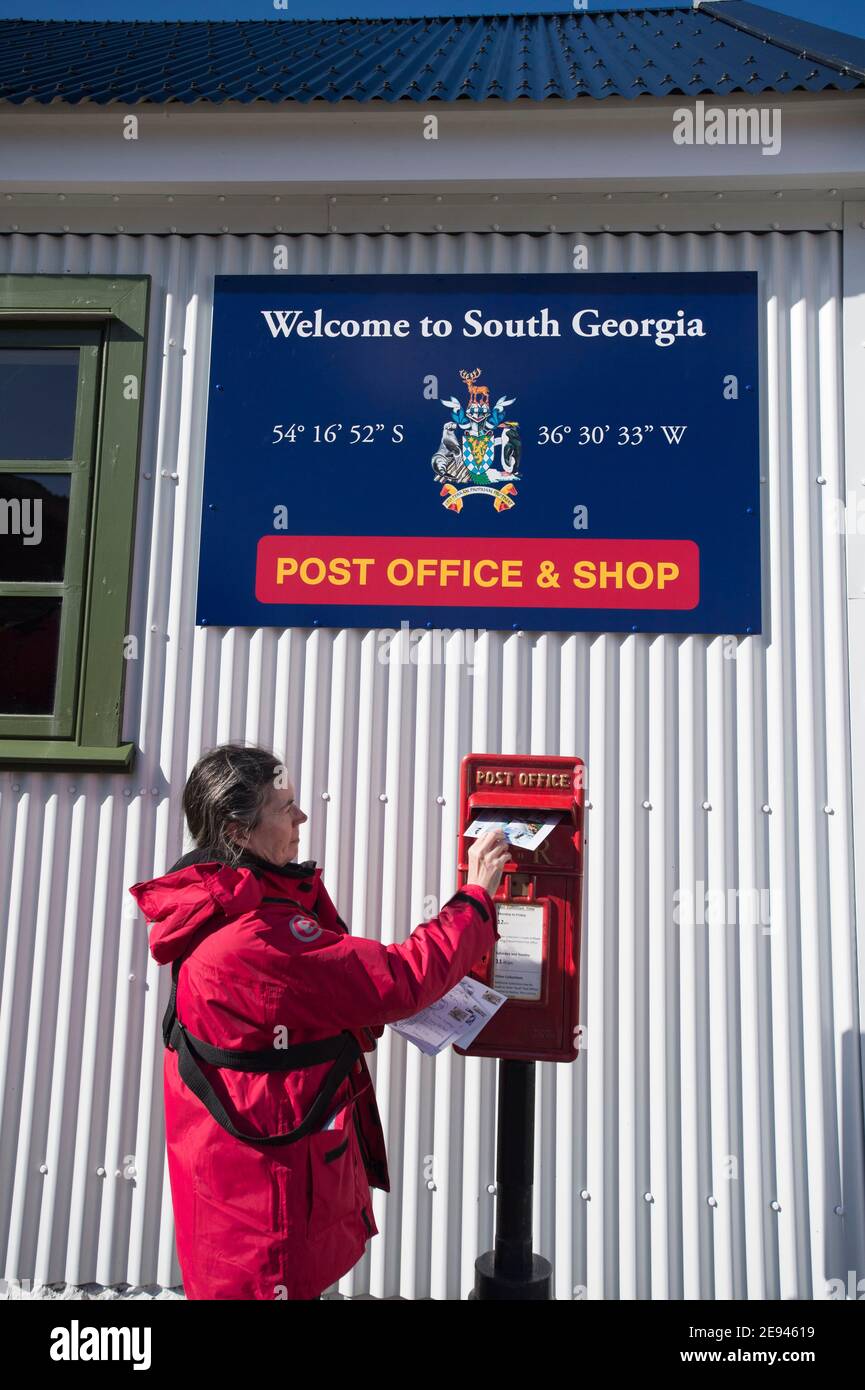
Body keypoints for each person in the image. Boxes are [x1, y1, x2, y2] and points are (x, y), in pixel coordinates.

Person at [128, 743, 509, 1300]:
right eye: (285, 807)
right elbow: (400, 978)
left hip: (246, 1191)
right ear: (238, 834)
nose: (301, 817)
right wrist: (474, 900)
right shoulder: (256, 939)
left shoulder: (214, 902)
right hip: (268, 1215)